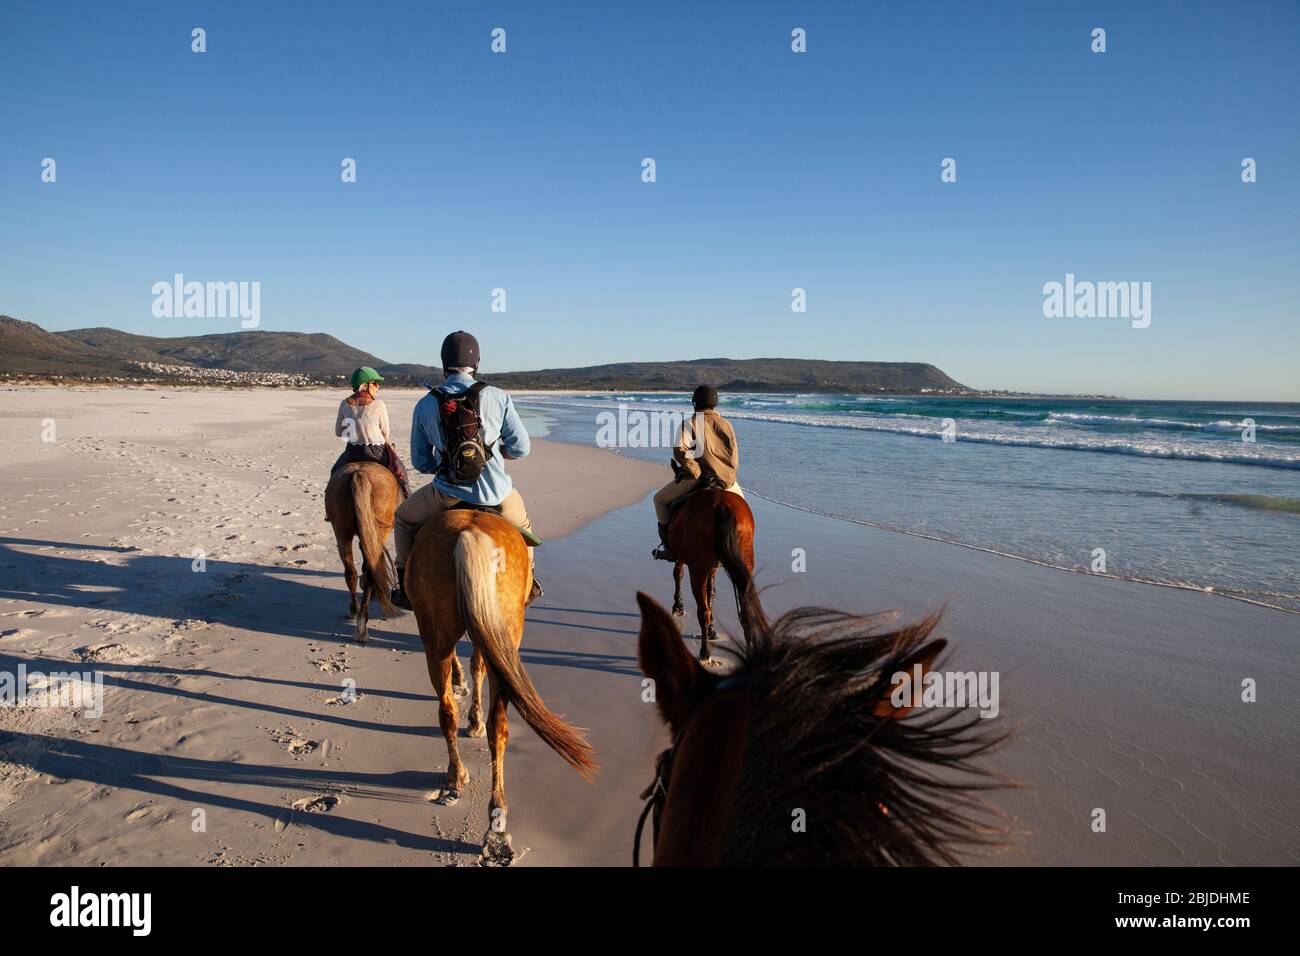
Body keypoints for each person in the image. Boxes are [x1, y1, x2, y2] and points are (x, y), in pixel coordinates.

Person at [391, 330, 540, 609]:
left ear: (444, 364)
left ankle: (405, 585)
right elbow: (522, 448)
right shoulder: (497, 396)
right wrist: (499, 453)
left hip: (446, 494)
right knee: (524, 529)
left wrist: (446, 462)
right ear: (477, 363)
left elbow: (421, 462)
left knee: (402, 519)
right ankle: (529, 583)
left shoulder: (425, 404)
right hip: (497, 494)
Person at [651, 384, 745, 562]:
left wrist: (695, 471)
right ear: (714, 404)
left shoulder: (690, 423)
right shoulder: (727, 424)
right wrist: (727, 476)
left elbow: (680, 450)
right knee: (742, 510)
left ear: (695, 403)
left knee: (659, 500)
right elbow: (734, 456)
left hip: (698, 479)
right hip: (727, 480)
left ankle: (670, 549)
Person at [332, 366, 410, 496]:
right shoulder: (378, 404)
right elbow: (385, 432)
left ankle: (329, 514)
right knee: (401, 473)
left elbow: (339, 432)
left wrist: (354, 428)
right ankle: (407, 497)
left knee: (334, 472)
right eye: (375, 383)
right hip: (377, 452)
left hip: (352, 451)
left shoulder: (344, 404)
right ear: (365, 385)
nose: (378, 387)